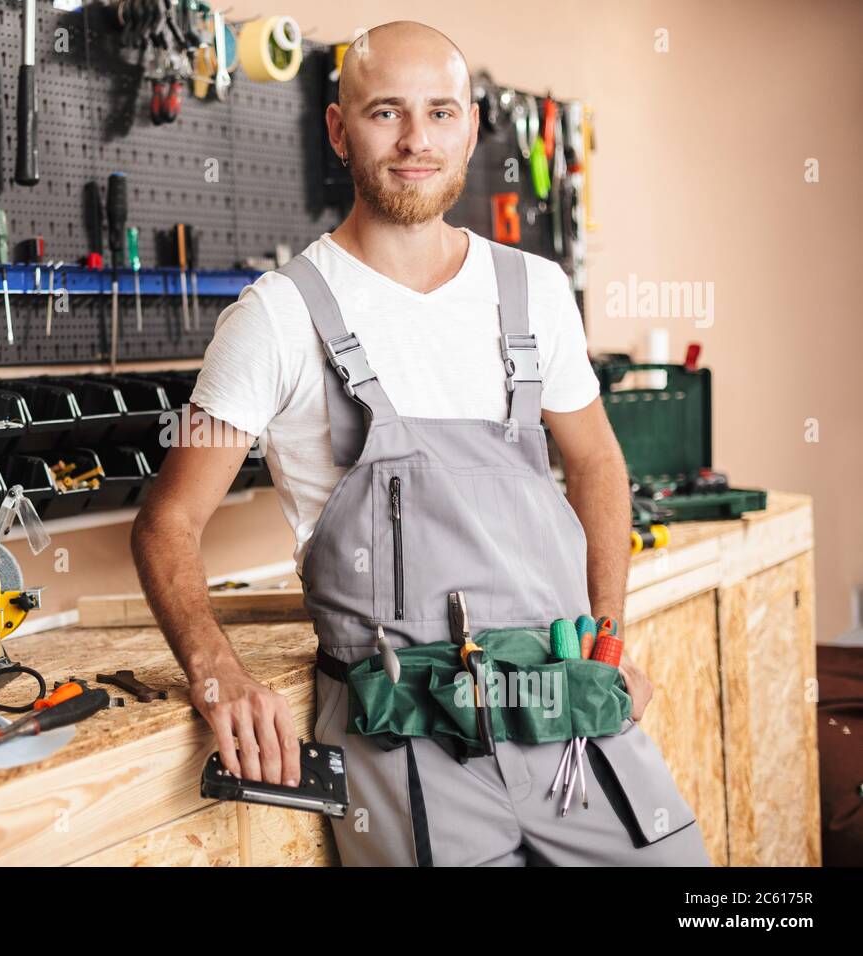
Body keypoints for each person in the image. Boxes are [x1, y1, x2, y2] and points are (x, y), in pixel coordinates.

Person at [132, 21, 708, 866]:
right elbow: (167, 522)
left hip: (567, 713)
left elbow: (596, 462)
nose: (415, 141)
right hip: (403, 735)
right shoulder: (277, 316)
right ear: (338, 130)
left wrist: (608, 637)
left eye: (440, 113)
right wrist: (217, 669)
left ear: (471, 126)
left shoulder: (535, 293)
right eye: (385, 113)